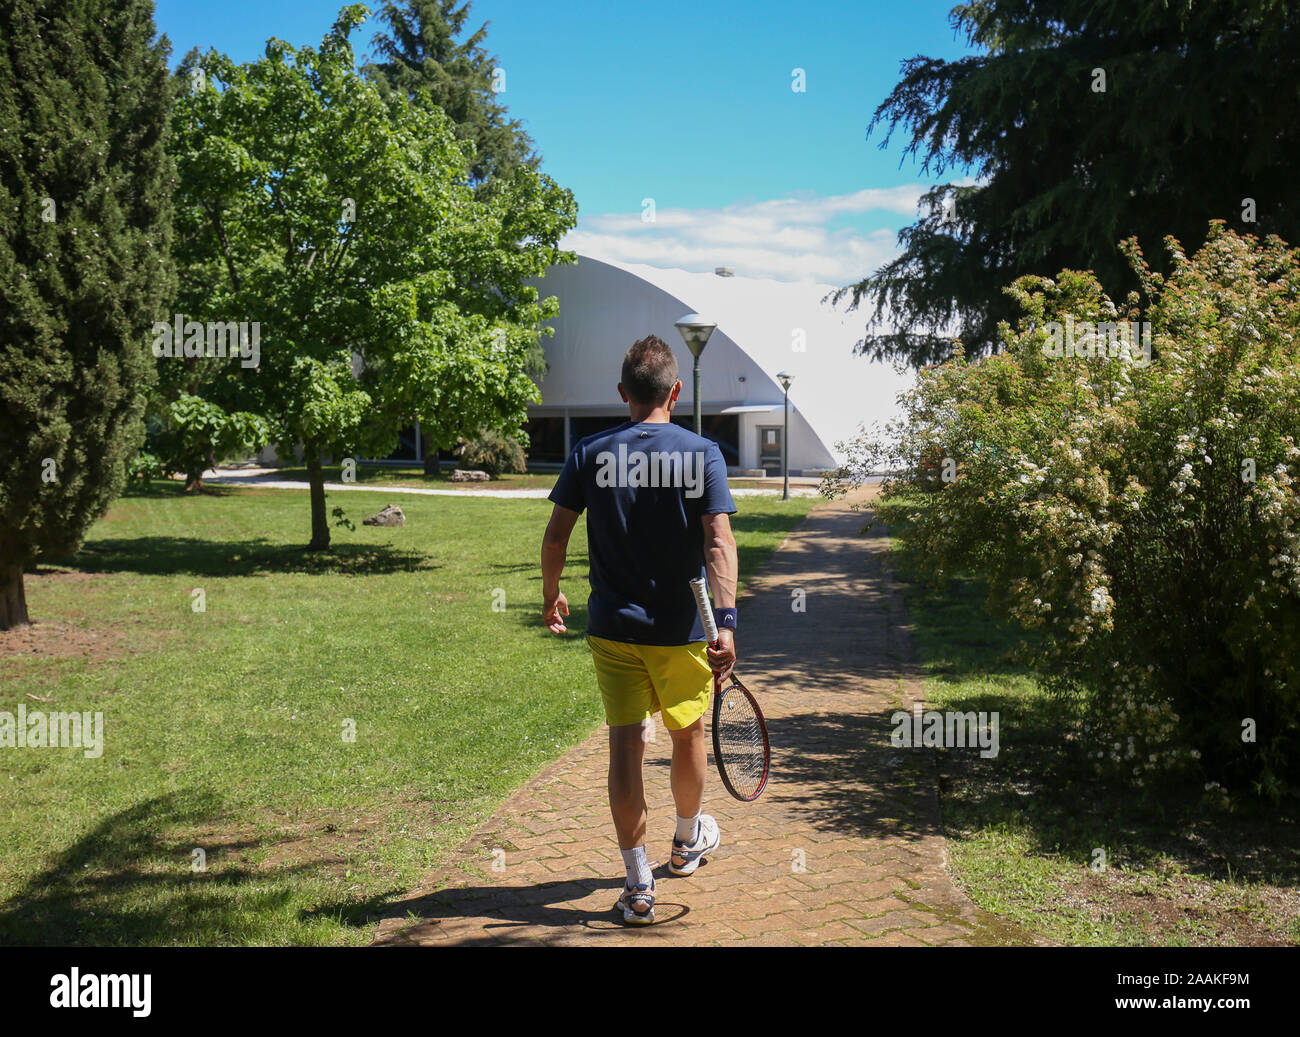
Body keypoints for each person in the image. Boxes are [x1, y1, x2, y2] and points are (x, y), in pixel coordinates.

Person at [540, 334, 739, 925]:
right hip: (683, 630)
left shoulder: (589, 452)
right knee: (687, 735)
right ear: (675, 391)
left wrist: (552, 595)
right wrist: (725, 624)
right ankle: (685, 844)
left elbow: (555, 537)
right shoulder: (702, 452)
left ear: (623, 392)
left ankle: (637, 882)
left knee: (625, 744)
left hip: (612, 629)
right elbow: (719, 541)